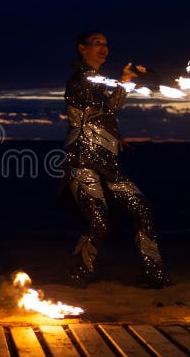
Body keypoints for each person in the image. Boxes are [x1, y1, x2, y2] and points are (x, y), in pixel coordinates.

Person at [58, 30, 173, 289]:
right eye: (97, 43)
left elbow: (104, 114)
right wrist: (125, 80)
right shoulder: (78, 80)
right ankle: (76, 276)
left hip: (108, 163)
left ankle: (155, 275)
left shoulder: (101, 81)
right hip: (83, 160)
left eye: (106, 44)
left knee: (142, 210)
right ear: (81, 48)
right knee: (99, 223)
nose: (103, 48)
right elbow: (107, 107)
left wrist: (114, 135)